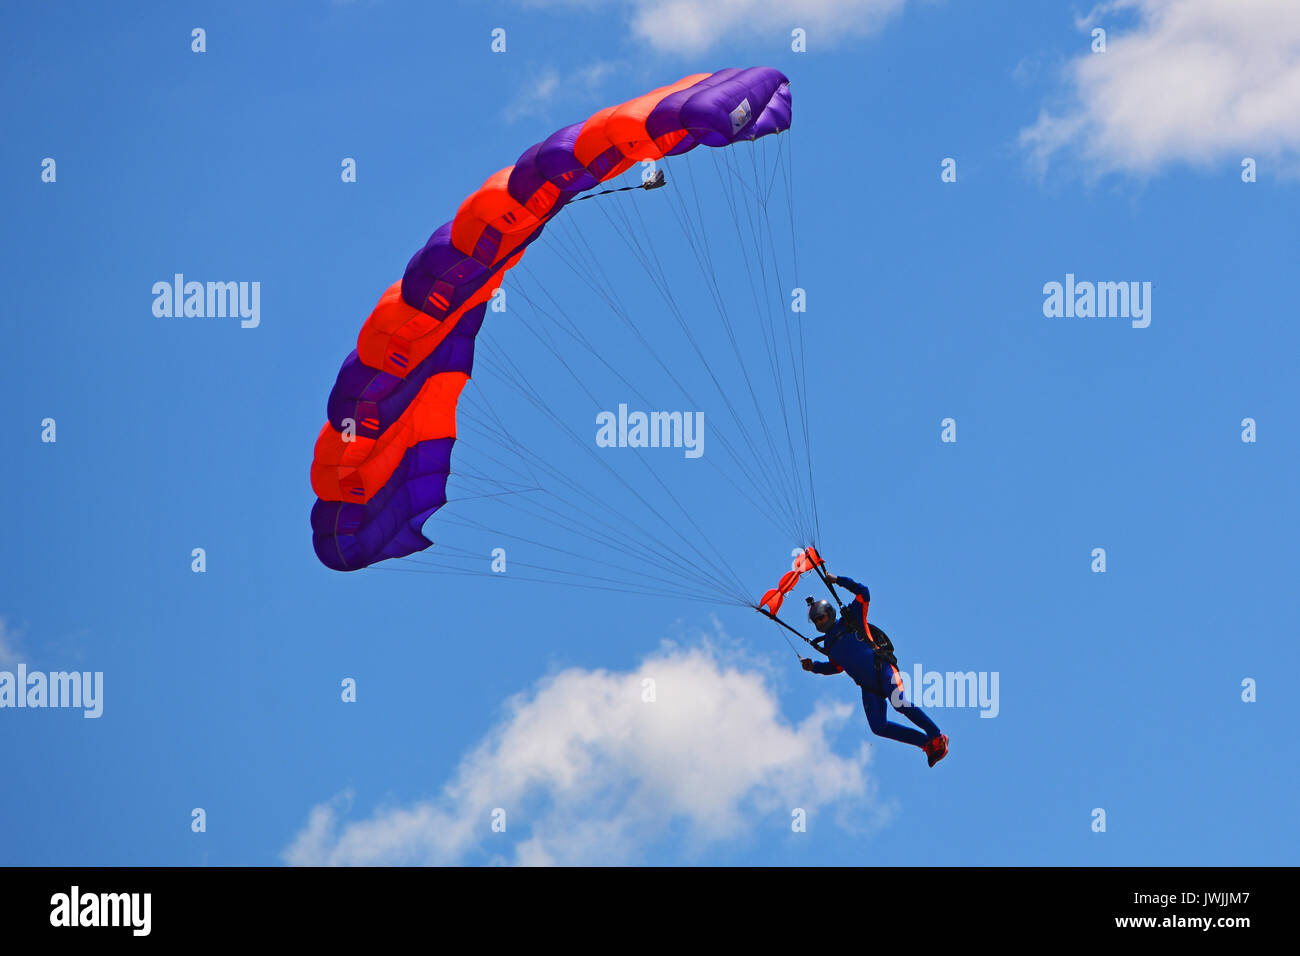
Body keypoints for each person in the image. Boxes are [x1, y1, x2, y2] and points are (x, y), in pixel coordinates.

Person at [801, 575, 949, 767]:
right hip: (868, 687)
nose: (819, 623)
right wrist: (814, 667)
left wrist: (837, 580)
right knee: (878, 727)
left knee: (899, 702)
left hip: (882, 667)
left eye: (820, 618)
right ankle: (926, 744)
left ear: (830, 613)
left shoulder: (851, 619)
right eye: (815, 622)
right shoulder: (828, 645)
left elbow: (864, 593)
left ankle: (937, 737)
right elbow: (837, 667)